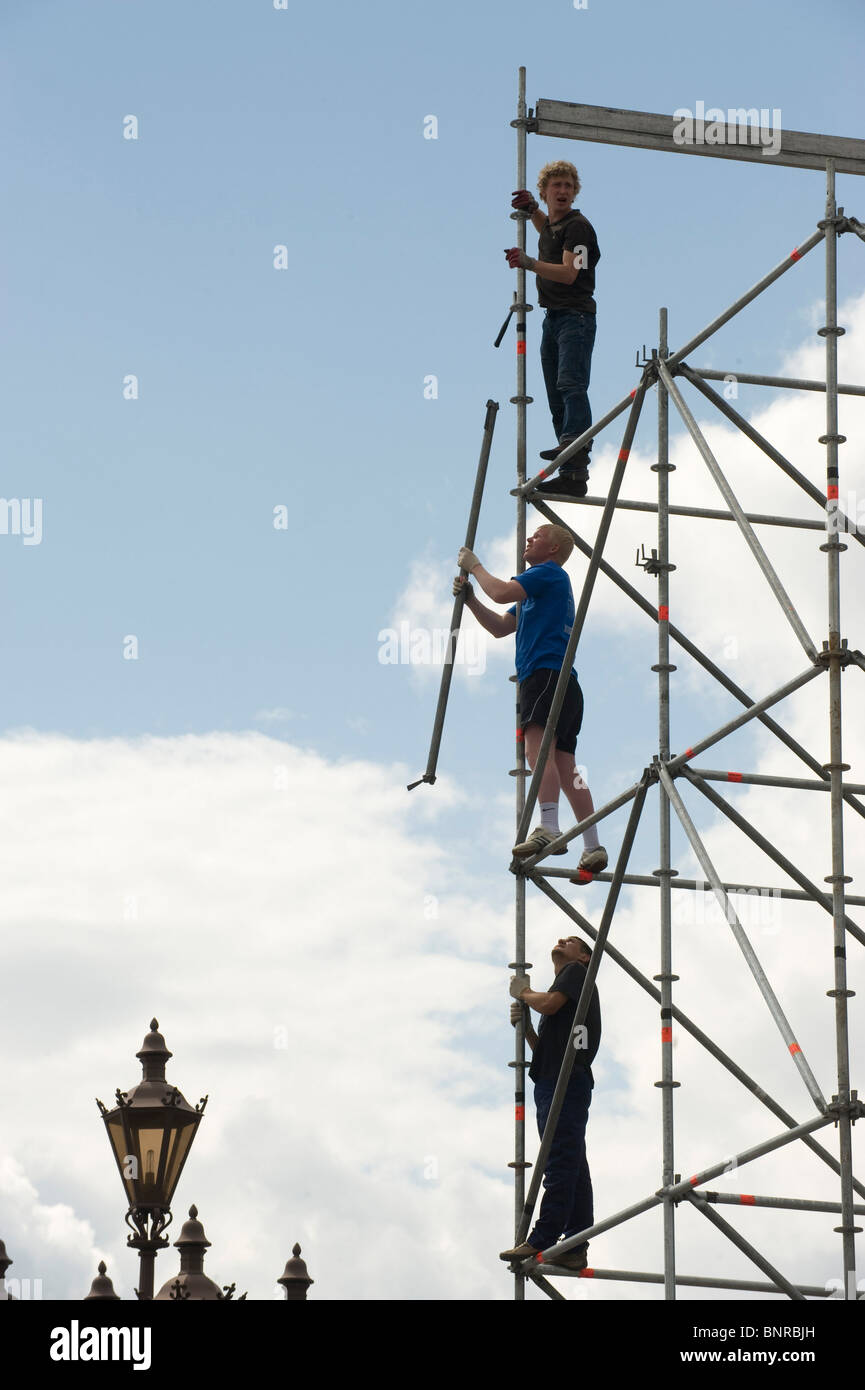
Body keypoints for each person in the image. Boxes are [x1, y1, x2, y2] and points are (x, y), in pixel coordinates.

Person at [455, 524, 607, 873]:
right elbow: (500, 626)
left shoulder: (545, 574)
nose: (528, 540)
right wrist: (470, 600)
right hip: (565, 681)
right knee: (567, 766)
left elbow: (500, 592)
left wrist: (475, 566)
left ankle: (549, 827)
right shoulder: (542, 589)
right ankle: (593, 844)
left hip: (543, 675)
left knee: (536, 753)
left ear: (552, 549)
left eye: (536, 537)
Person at [500, 934, 600, 1270]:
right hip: (556, 1076)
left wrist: (524, 994)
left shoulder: (574, 973)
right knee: (572, 1160)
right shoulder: (563, 989)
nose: (561, 942)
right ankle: (574, 1242)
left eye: (571, 941)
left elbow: (549, 1004)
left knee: (560, 1157)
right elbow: (545, 1048)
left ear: (584, 957)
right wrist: (528, 1026)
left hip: (565, 1079)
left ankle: (543, 1239)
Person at [504, 160, 600, 497]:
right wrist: (532, 210)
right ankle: (574, 475)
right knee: (556, 393)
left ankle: (574, 443)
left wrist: (528, 263)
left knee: (571, 384)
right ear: (545, 192)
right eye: (556, 186)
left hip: (576, 316)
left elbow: (569, 272)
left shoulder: (579, 228)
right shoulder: (556, 226)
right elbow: (549, 230)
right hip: (554, 317)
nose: (562, 191)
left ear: (575, 193)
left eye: (568, 187)